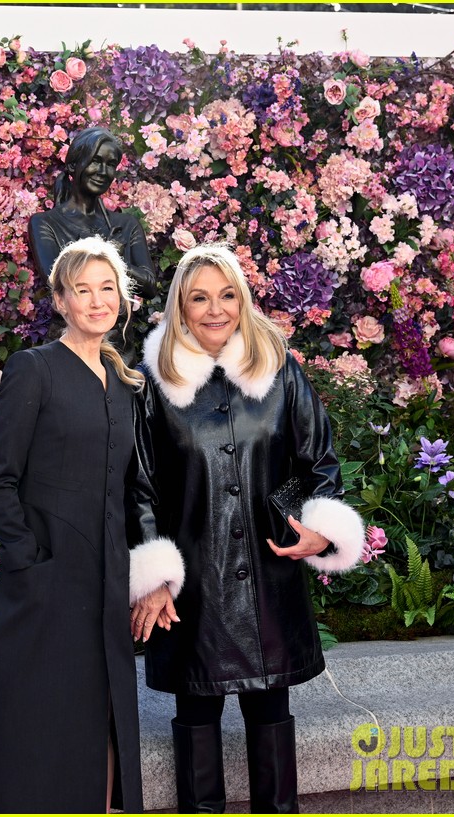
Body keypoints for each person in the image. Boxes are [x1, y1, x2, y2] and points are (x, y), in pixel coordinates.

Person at [0, 236, 185, 814]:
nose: (98, 300)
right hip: (48, 580)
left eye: (109, 288)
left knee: (100, 712)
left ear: (122, 299)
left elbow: (135, 489)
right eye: (84, 289)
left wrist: (151, 572)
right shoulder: (34, 370)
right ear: (60, 299)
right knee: (39, 720)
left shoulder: (127, 384)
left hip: (106, 580)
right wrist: (29, 560)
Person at [128, 244, 365, 813]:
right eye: (200, 297)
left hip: (269, 578)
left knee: (270, 710)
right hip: (192, 590)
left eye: (227, 295)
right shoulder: (151, 385)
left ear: (243, 299)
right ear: (180, 307)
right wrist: (154, 576)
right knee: (196, 715)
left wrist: (319, 528)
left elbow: (321, 463)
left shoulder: (280, 370)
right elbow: (135, 487)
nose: (215, 309)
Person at [29, 127, 157, 364]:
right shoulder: (45, 223)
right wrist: (109, 256)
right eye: (96, 161)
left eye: (110, 165)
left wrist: (109, 260)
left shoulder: (126, 225)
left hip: (120, 354)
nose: (103, 171)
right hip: (68, 350)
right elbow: (56, 279)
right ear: (72, 166)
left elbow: (149, 284)